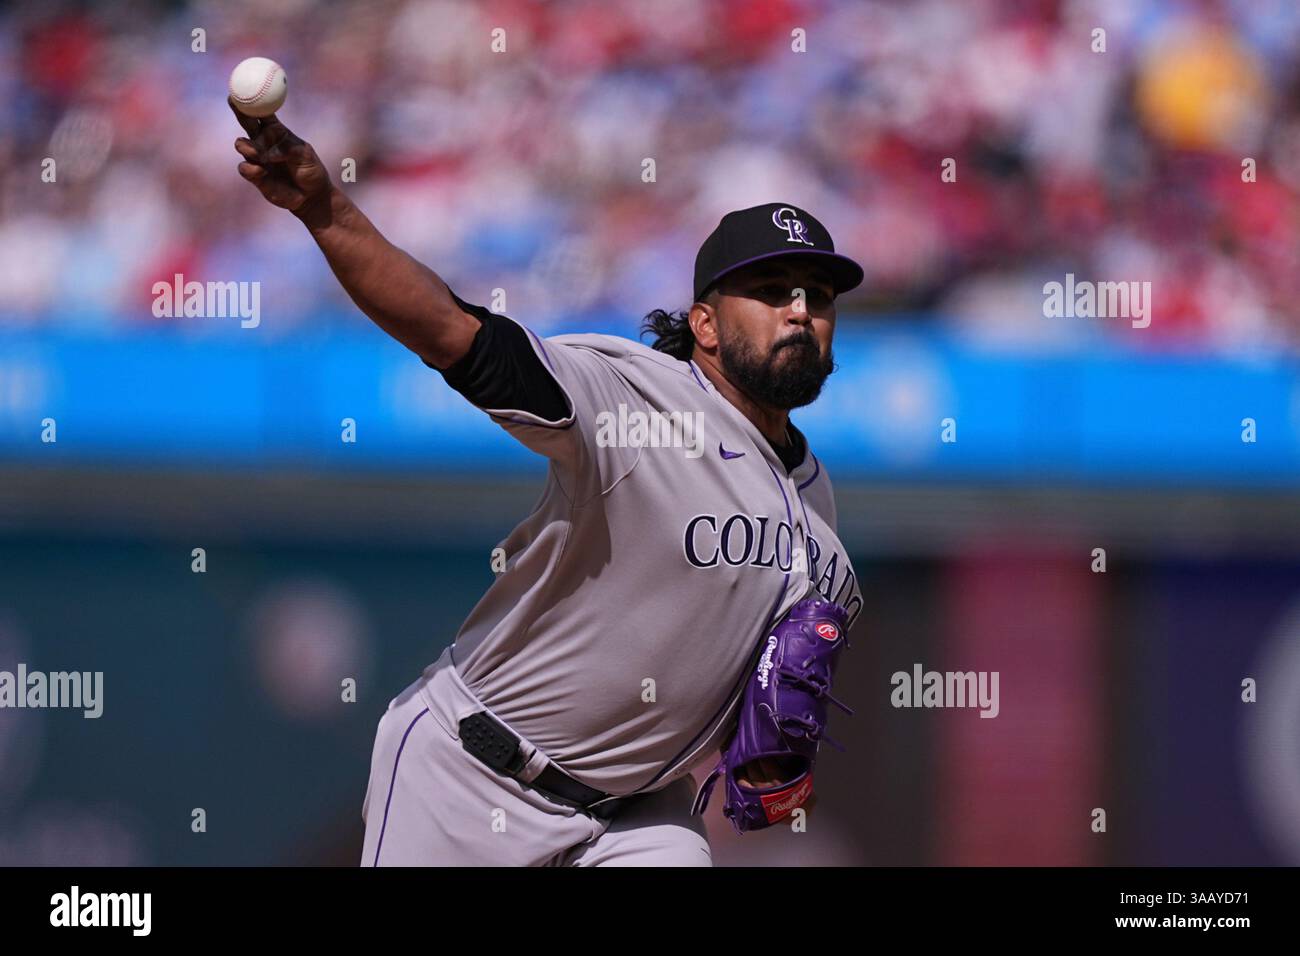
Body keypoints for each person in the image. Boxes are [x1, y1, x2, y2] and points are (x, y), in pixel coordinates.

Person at [231, 101, 864, 866]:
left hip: (635, 819)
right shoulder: (636, 400)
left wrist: (765, 746)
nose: (799, 310)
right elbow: (453, 332)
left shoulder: (814, 501)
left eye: (817, 296)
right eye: (770, 290)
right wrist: (325, 211)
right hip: (472, 776)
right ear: (704, 325)